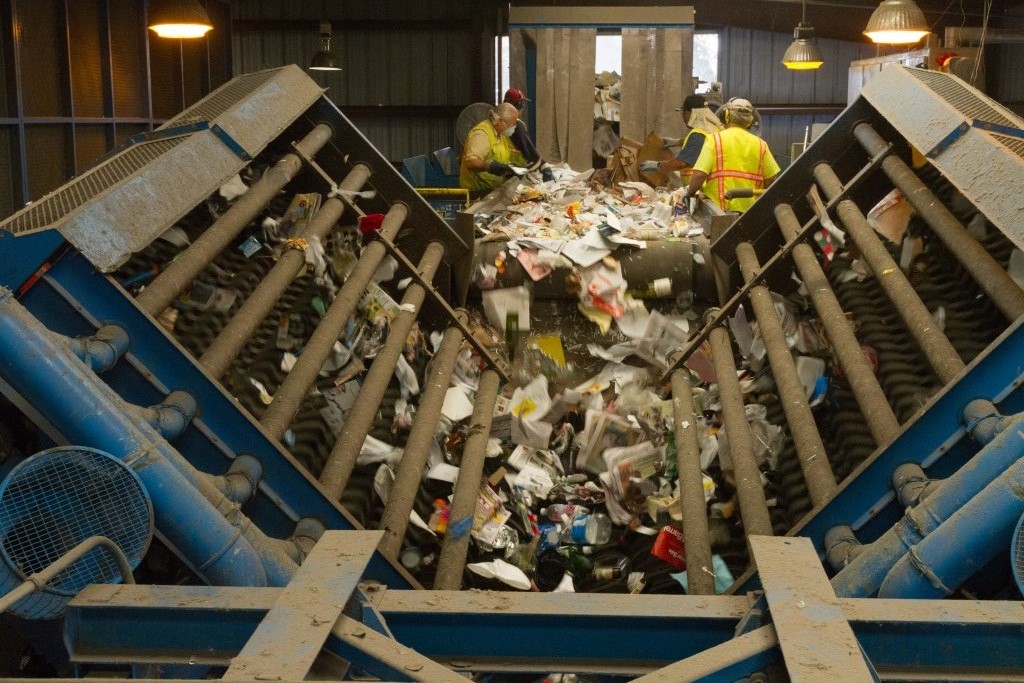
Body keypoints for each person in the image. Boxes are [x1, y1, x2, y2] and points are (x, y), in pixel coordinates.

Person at [682, 98, 780, 213]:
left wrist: (690, 193)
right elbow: (771, 180)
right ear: (750, 121)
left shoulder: (714, 140)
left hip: (720, 212)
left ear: (727, 115)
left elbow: (699, 175)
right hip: (750, 213)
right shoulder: (761, 145)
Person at [640, 94, 721, 184]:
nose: (683, 117)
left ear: (692, 113)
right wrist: (677, 142)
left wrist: (656, 165)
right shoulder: (712, 129)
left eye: (684, 113)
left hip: (700, 188)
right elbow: (702, 146)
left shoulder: (698, 135)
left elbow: (681, 163)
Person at [460, 102, 529, 194]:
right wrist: (489, 165)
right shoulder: (482, 134)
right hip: (477, 192)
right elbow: (471, 162)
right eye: (511, 125)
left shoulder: (500, 135)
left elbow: (501, 157)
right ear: (499, 121)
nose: (513, 128)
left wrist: (510, 167)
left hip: (492, 189)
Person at [503, 88, 555, 183]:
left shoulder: (501, 122)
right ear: (520, 105)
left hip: (505, 170)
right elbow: (529, 151)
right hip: (513, 174)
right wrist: (544, 166)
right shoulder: (516, 125)